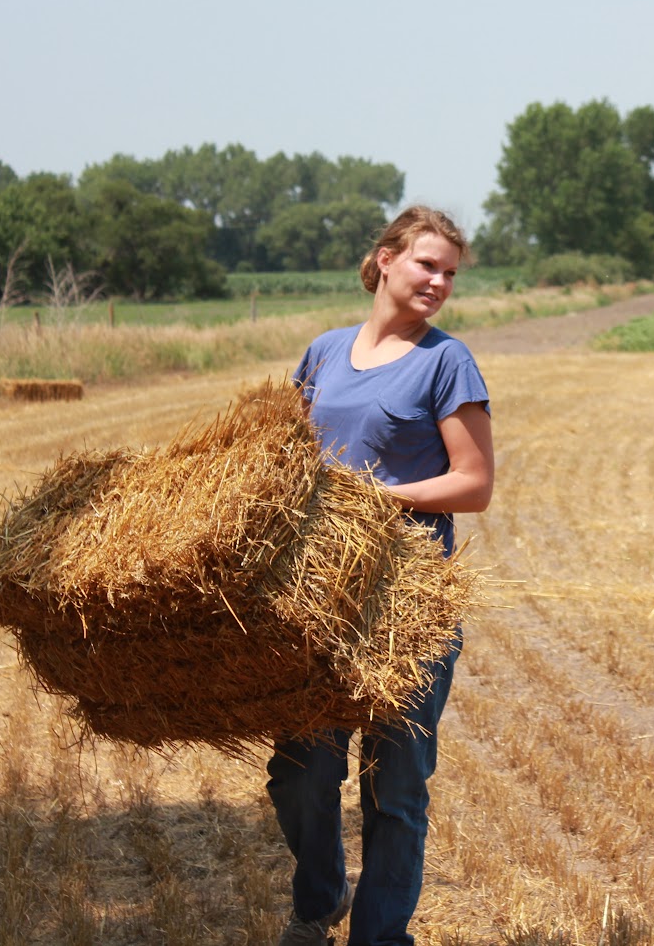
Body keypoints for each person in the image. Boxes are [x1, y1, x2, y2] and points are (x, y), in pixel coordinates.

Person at [268, 205, 493, 946]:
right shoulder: (325, 353)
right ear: (386, 259)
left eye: (450, 273)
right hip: (319, 599)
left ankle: (381, 936)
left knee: (394, 788)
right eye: (428, 263)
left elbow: (473, 482)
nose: (439, 281)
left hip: (408, 604)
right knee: (302, 772)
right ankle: (318, 900)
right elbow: (288, 456)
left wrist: (377, 497)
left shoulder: (446, 361)